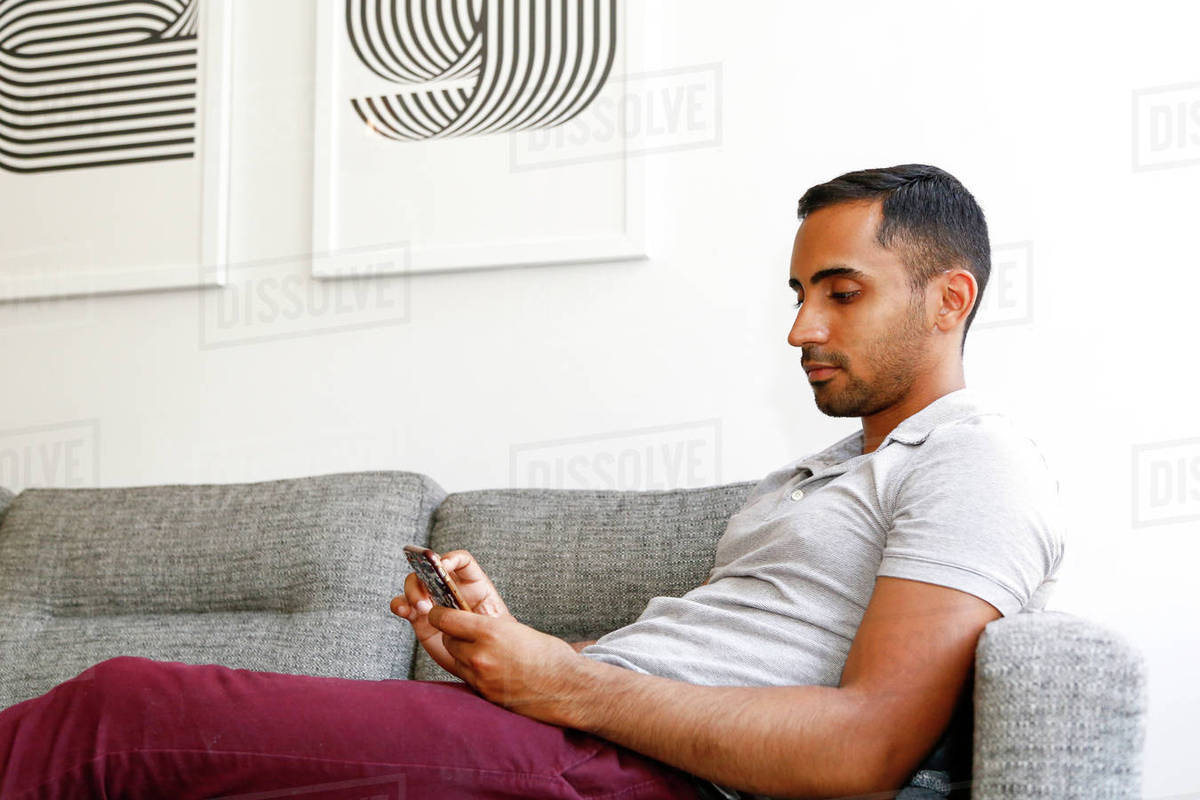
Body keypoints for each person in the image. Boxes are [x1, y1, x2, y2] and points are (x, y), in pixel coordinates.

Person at [0, 164, 1063, 800]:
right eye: (798, 292)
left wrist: (560, 683)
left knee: (123, 708)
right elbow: (696, 652)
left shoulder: (977, 461)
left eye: (841, 291)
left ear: (947, 298)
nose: (800, 327)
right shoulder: (827, 471)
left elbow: (866, 746)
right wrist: (519, 646)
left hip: (636, 772)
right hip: (581, 731)